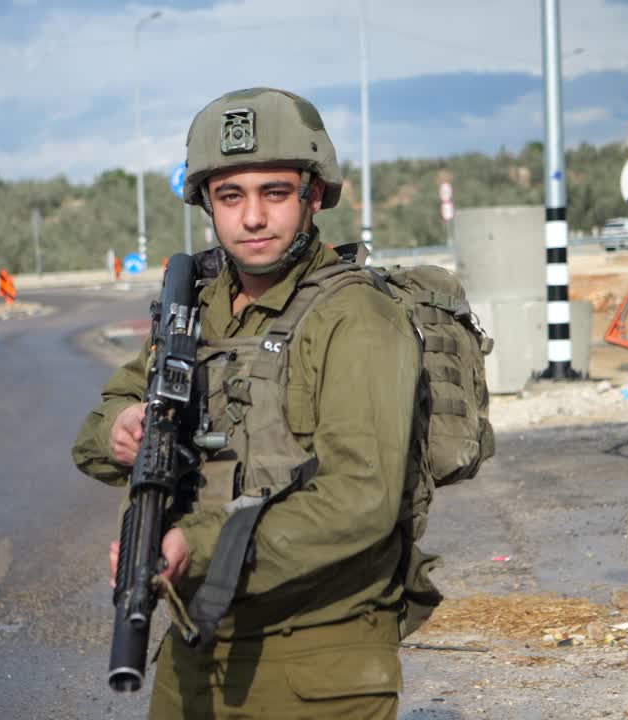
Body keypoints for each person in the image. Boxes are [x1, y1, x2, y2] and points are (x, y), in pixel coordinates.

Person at [71, 87, 421, 718]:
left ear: (314, 195)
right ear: (208, 203)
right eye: (231, 196)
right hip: (192, 650)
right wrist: (121, 428)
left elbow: (361, 497)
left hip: (315, 663)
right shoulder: (194, 310)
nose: (252, 218)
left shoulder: (356, 317)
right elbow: (98, 431)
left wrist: (194, 546)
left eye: (275, 193)